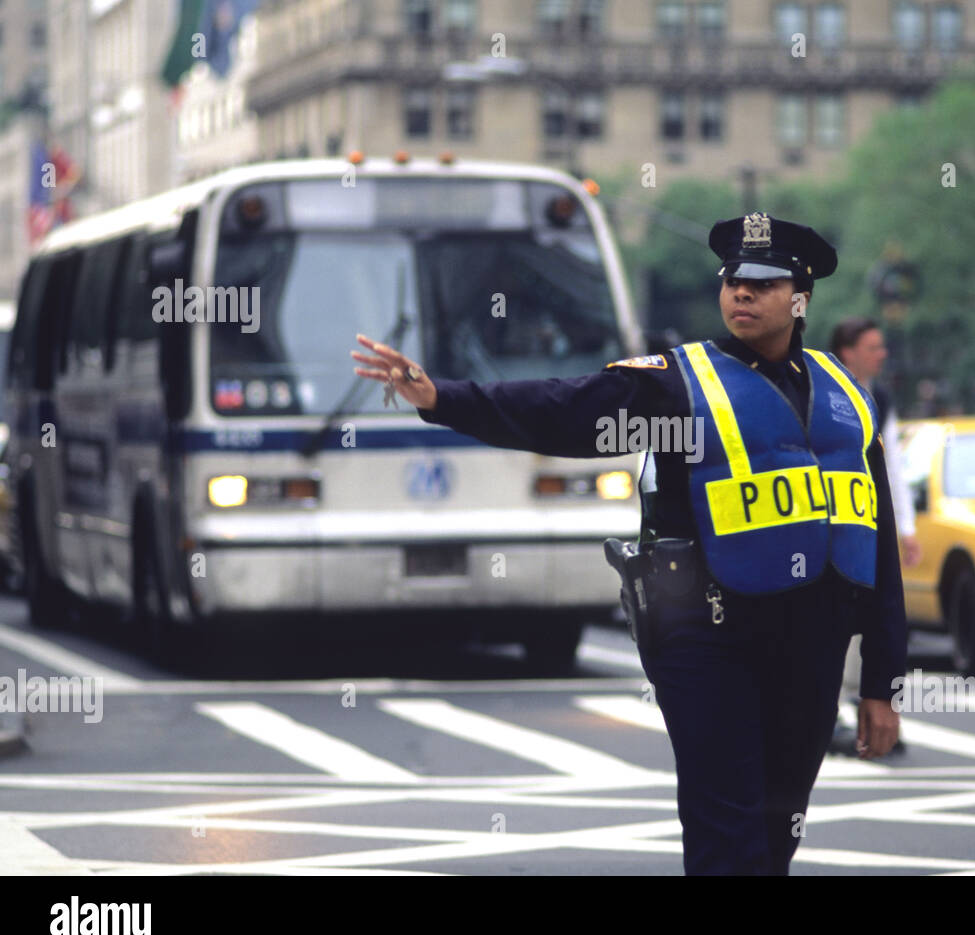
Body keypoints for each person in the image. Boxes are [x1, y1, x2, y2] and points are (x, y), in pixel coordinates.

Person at [351, 212, 907, 875]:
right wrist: (442, 396)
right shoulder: (679, 383)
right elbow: (565, 408)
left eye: (762, 282)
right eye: (732, 280)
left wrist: (881, 684)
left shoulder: (848, 395)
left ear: (801, 297)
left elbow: (872, 547)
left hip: (811, 646)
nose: (742, 293)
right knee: (726, 831)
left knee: (776, 830)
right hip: (710, 639)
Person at [827, 318, 917, 756]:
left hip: (868, 533)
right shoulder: (821, 390)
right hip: (830, 537)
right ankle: (836, 713)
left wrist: (907, 530)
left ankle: (869, 709)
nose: (881, 355)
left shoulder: (878, 397)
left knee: (876, 625)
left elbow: (893, 469)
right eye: (872, 347)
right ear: (847, 351)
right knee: (837, 632)